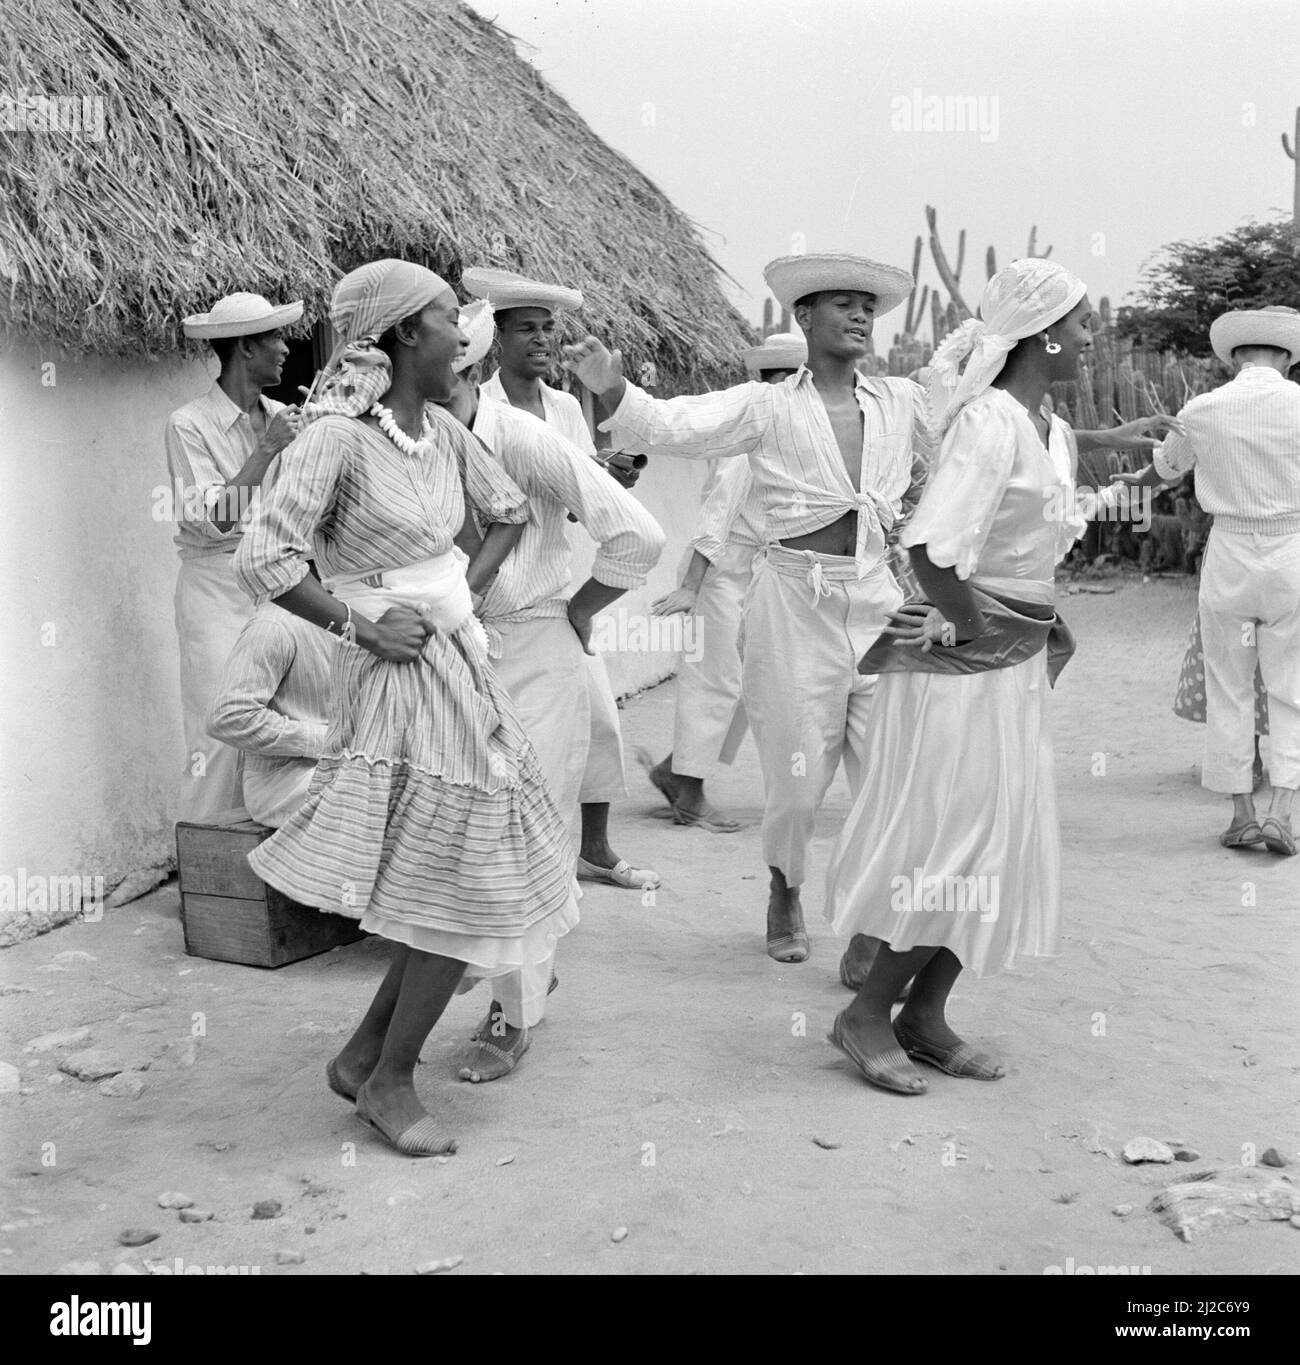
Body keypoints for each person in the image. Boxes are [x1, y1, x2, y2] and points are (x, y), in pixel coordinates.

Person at [235, 259, 578, 1156]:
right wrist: (359, 623)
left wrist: (458, 590)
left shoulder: (443, 434)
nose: (460, 333)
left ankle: (362, 1059)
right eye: (439, 320)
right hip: (393, 678)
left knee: (457, 880)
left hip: (456, 661)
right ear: (396, 339)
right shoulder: (338, 439)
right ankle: (388, 1078)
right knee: (461, 880)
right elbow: (266, 557)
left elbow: (507, 513)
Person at [564, 252, 933, 963]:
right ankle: (785, 886)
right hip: (794, 604)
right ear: (804, 316)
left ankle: (871, 924)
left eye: (868, 306)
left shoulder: (900, 401)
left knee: (894, 778)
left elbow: (953, 457)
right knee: (797, 785)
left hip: (880, 604)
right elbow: (677, 425)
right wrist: (610, 386)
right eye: (842, 304)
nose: (860, 316)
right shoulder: (767, 407)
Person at [823, 258, 1099, 1096]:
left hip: (1011, 662)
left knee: (1000, 838)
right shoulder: (988, 422)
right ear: (1045, 333)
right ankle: (866, 1014)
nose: (1091, 338)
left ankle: (924, 1015)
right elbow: (931, 546)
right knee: (952, 839)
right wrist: (969, 622)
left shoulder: (1046, 426)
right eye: (1082, 323)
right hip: (965, 664)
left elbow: (1033, 547)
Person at [431, 306, 664, 1081]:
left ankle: (513, 1012)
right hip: (458, 653)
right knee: (469, 821)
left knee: (527, 829)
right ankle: (522, 968)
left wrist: (580, 609)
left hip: (536, 644)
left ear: (463, 368)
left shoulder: (527, 438)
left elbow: (638, 534)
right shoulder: (413, 442)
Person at [466, 267, 660, 891]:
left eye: (550, 329)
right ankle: (516, 876)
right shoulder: (479, 408)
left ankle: (593, 851)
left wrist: (609, 480)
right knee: (504, 745)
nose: (543, 340)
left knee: (599, 719)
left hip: (556, 592)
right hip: (494, 596)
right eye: (527, 329)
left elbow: (580, 503)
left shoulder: (566, 407)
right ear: (497, 340)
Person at [1116, 305, 1300, 855]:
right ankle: (1284, 812)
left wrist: (1136, 479)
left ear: (1235, 360)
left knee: (1230, 684)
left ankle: (1241, 814)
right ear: (1287, 359)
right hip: (1293, 549)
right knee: (1291, 684)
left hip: (1230, 553)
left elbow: (1166, 469)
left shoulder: (1205, 407)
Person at [641, 331, 808, 832]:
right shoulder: (754, 433)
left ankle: (677, 771)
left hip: (757, 573)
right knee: (715, 680)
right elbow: (716, 515)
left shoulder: (798, 434)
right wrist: (693, 585)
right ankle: (688, 791)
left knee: (753, 682)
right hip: (717, 570)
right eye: (792, 380)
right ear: (770, 383)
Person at [166, 292, 303, 820]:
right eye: (274, 338)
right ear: (245, 348)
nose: (286, 349)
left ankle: (268, 867)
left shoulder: (282, 418)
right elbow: (216, 517)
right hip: (216, 586)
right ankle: (210, 868)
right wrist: (267, 449)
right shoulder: (188, 423)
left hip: (277, 583)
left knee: (277, 714)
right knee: (218, 724)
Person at [205, 599, 336, 827]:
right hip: (281, 782)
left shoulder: (357, 617)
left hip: (343, 767)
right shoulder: (275, 625)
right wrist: (328, 740)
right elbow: (227, 718)